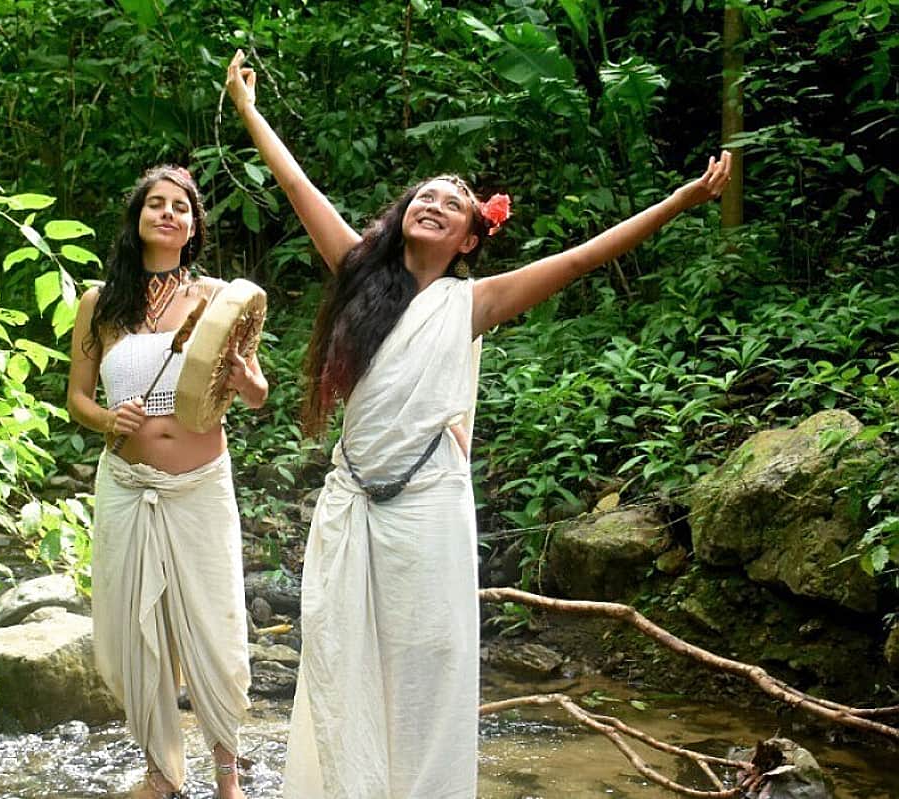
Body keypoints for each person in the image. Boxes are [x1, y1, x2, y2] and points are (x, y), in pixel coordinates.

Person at [225, 50, 731, 799]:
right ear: (402, 220)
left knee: (429, 658)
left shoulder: (472, 302)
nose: (433, 202)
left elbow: (584, 257)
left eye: (453, 202)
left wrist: (682, 200)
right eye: (423, 196)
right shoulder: (360, 274)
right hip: (350, 502)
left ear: (468, 237)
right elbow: (298, 185)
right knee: (339, 655)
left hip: (428, 501)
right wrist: (248, 110)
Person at [66, 164, 268, 799]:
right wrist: (106, 417)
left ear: (193, 226)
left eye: (181, 207)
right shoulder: (100, 303)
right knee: (139, 627)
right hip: (126, 483)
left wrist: (243, 379)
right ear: (138, 218)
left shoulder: (218, 298)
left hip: (200, 483)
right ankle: (160, 772)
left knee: (213, 621)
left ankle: (227, 771)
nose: (168, 214)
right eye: (156, 204)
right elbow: (76, 398)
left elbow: (257, 393)